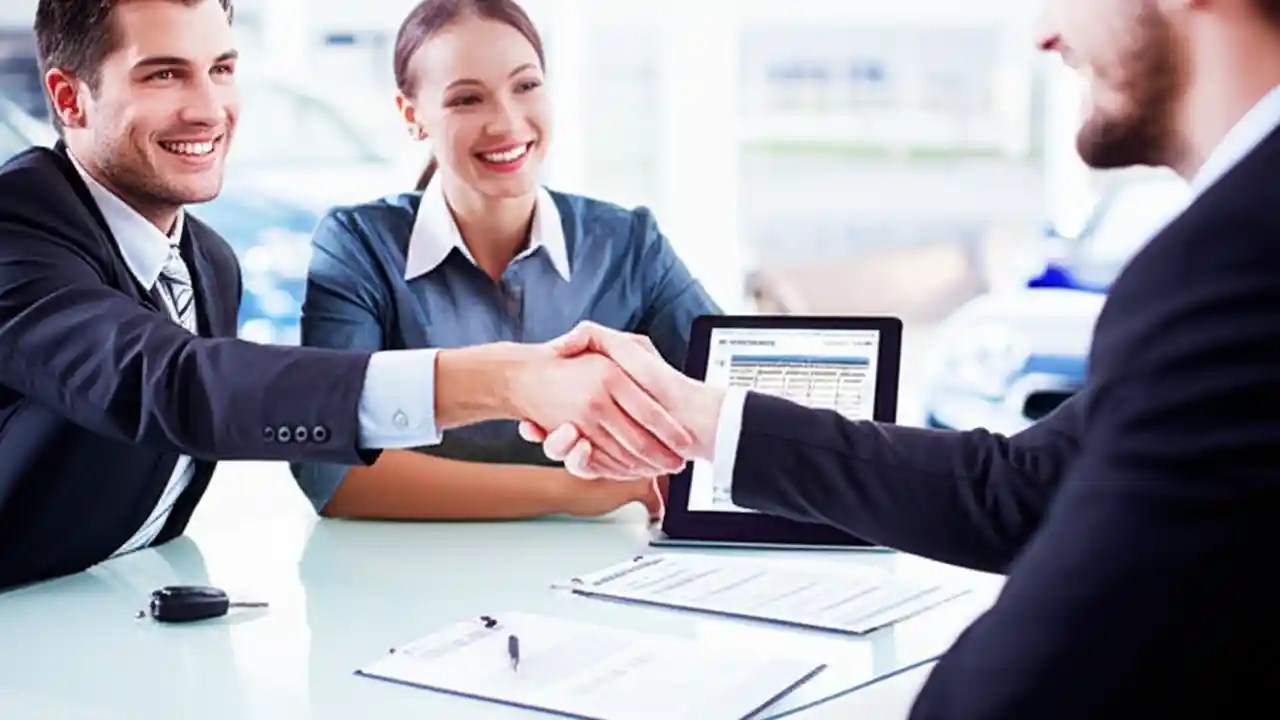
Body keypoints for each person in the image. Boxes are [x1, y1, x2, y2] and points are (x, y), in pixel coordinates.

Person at [529, 0, 1280, 715]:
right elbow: (1022, 489)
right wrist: (698, 420)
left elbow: (1029, 691)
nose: (1046, 33)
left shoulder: (1233, 258)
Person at [0, 0, 690, 591]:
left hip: (115, 609)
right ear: (69, 99)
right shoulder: (15, 229)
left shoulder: (208, 262)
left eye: (222, 69)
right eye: (163, 74)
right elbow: (174, 384)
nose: (209, 108)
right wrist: (501, 380)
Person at [290, 0, 718, 521]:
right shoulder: (359, 246)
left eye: (526, 86)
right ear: (413, 115)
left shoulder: (627, 245)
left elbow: (727, 399)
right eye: (467, 99)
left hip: (600, 568)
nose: (507, 122)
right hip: (409, 572)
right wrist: (581, 492)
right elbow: (330, 474)